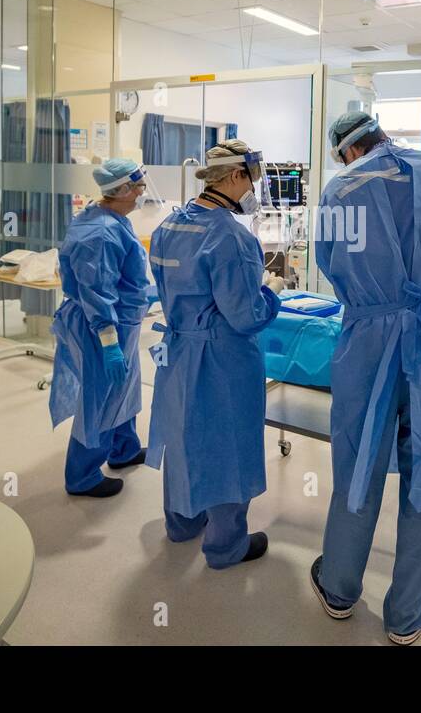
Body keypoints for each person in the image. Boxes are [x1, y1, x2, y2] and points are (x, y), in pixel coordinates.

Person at [309, 111, 421, 645]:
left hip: (370, 341)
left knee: (357, 460)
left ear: (347, 150)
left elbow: (331, 263)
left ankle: (339, 588)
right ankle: (407, 612)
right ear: (380, 133)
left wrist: (376, 299)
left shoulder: (342, 190)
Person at [146, 140, 281, 569]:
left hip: (178, 351)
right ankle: (226, 546)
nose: (253, 191)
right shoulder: (231, 237)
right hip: (223, 359)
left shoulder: (169, 225)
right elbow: (245, 315)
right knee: (227, 444)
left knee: (184, 435)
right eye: (252, 181)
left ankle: (182, 523)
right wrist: (271, 293)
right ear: (237, 176)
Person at [49, 158, 151, 499]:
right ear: (122, 190)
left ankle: (123, 449)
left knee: (124, 388)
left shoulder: (109, 218)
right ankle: (82, 476)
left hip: (122, 320)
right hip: (103, 325)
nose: (142, 193)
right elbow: (97, 290)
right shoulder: (102, 233)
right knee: (101, 396)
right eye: (138, 187)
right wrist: (109, 342)